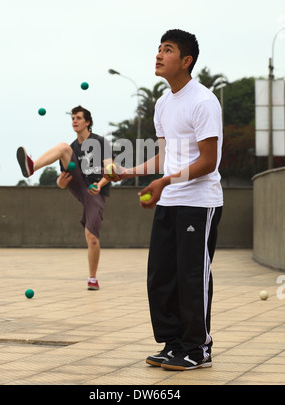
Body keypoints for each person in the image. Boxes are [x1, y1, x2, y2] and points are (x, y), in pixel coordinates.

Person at [104, 29, 223, 370]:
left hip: (200, 203)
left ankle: (198, 347)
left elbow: (208, 161)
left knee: (191, 276)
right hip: (170, 201)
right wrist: (129, 173)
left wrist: (164, 182)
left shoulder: (202, 101)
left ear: (186, 61)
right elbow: (165, 156)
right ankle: (174, 344)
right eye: (158, 49)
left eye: (167, 50)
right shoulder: (162, 103)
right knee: (161, 275)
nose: (158, 55)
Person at [16, 105, 112, 291]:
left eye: (78, 118)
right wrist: (60, 182)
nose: (74, 121)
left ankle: (92, 278)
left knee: (92, 238)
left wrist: (99, 185)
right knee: (62, 147)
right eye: (72, 118)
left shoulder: (100, 142)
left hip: (96, 190)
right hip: (78, 186)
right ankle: (32, 167)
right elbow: (63, 182)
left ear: (88, 122)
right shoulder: (72, 148)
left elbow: (110, 172)